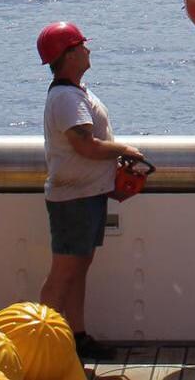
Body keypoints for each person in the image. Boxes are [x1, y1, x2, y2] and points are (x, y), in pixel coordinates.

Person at [35, 21, 145, 362]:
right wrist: (124, 151)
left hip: (84, 195)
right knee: (64, 273)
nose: (88, 50)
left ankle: (75, 336)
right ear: (68, 55)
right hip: (74, 200)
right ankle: (41, 345)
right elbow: (86, 146)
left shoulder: (74, 93)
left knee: (78, 269)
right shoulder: (67, 98)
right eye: (81, 46)